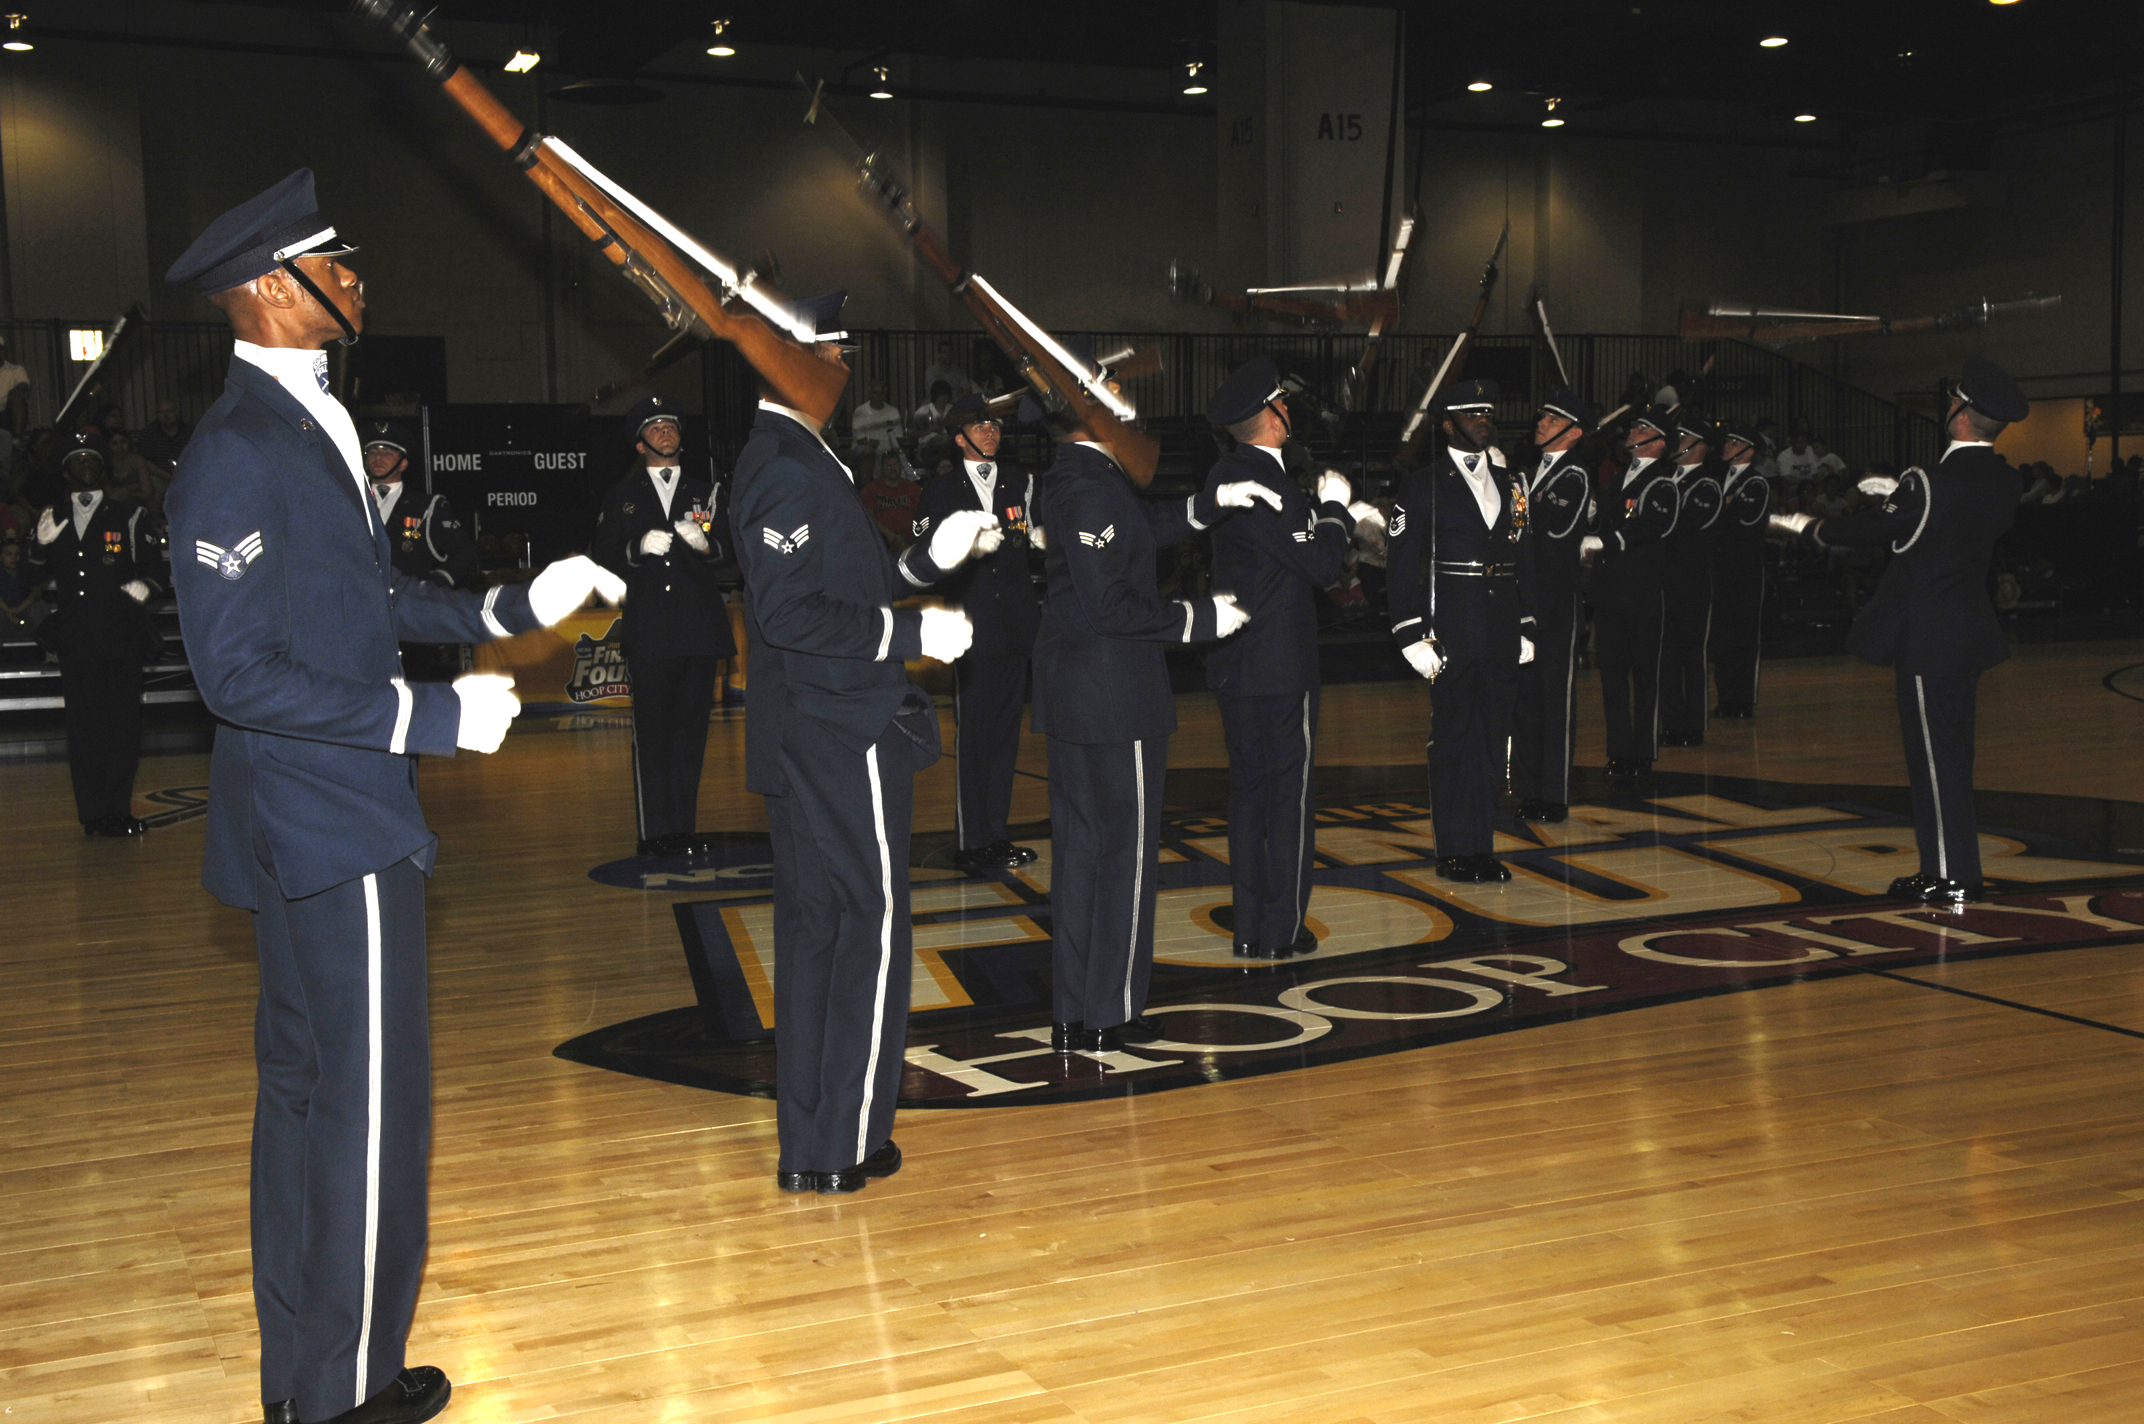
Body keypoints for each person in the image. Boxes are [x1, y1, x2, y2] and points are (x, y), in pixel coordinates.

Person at [161, 168, 622, 1424]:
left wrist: (504, 607)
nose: (356, 280)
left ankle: (315, 1375)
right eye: (332, 265)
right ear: (270, 287)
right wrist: (430, 715)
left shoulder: (302, 420)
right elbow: (239, 671)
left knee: (311, 1100)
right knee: (363, 1110)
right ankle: (348, 1387)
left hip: (319, 812)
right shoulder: (238, 452)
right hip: (328, 816)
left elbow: (360, 603)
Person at [728, 289, 994, 1194]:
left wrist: (927, 562)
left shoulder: (803, 456)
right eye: (831, 355)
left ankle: (820, 1139)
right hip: (841, 728)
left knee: (818, 933)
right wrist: (914, 637)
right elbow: (791, 611)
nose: (844, 371)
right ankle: (844, 1139)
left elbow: (860, 579)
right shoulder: (783, 466)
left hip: (818, 727)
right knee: (867, 930)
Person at [1031, 366, 1262, 1049]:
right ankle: (1114, 1010)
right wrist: (1198, 619)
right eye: (1108, 391)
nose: (1124, 402)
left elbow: (1138, 532)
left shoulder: (1080, 474)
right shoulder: (1091, 483)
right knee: (1123, 857)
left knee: (1080, 854)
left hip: (1076, 691)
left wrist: (1207, 505)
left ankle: (1076, 1008)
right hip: (1115, 695)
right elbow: (1112, 604)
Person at [1771, 356, 2029, 906]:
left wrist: (1807, 526)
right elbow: (1941, 523)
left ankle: (1951, 873)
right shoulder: (2003, 479)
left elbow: (1874, 531)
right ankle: (1948, 867)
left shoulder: (1928, 481)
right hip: (1967, 629)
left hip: (1930, 634)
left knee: (1934, 763)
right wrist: (1902, 496)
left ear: (1960, 412)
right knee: (1953, 757)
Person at [1198, 356, 1357, 957]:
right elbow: (1319, 565)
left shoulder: (1224, 476)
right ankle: (1282, 929)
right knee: (1287, 798)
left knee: (1248, 795)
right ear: (1271, 415)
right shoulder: (1271, 484)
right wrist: (1337, 510)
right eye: (1283, 404)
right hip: (1282, 665)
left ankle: (1249, 929)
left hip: (1237, 660)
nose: (1290, 410)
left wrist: (1315, 515)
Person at [1386, 379, 1530, 881]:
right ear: (1447, 424)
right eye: (1471, 414)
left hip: (1500, 630)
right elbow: (1403, 564)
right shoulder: (1423, 483)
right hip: (1451, 632)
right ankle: (1453, 848)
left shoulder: (1514, 483)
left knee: (1493, 739)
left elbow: (1520, 556)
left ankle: (1481, 846)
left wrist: (1526, 623)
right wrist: (1410, 633)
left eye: (1488, 412)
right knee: (1453, 740)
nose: (1483, 420)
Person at [591, 396, 734, 859]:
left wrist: (707, 545)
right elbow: (604, 557)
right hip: (651, 631)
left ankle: (684, 829)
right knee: (653, 736)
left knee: (691, 735)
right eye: (654, 427)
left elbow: (732, 553)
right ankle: (655, 833)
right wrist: (636, 547)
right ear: (640, 443)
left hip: (697, 630)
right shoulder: (623, 496)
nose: (664, 431)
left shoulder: (706, 491)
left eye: (670, 425)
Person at [911, 393, 1042, 873]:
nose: (991, 432)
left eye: (995, 425)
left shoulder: (1020, 480)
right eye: (981, 426)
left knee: (1007, 734)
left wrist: (1039, 539)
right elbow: (926, 554)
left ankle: (997, 833)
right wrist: (966, 549)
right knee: (975, 736)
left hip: (1016, 622)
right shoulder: (939, 491)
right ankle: (971, 838)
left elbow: (1029, 533)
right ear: (959, 435)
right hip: (972, 623)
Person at [28, 430, 162, 837]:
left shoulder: (129, 515)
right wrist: (38, 546)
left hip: (121, 635)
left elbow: (156, 569)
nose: (85, 465)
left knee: (123, 726)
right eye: (77, 460)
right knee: (83, 729)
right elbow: (30, 578)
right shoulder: (52, 518)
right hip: (78, 639)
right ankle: (92, 813)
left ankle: (118, 809)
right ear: (66, 472)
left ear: (102, 468)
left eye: (92, 459)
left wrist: (147, 588)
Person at [1582, 407, 1682, 780]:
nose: (1633, 430)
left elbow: (1650, 526)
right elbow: (1608, 521)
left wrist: (1603, 541)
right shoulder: (1621, 477)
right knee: (1611, 677)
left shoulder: (1662, 484)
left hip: (1641, 593)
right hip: (1610, 592)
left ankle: (1642, 751)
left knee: (1644, 676)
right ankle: (1618, 751)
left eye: (1642, 428)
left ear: (1657, 443)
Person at [1512, 386, 1596, 822]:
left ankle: (1555, 794)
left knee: (1554, 699)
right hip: (1527, 601)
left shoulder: (1575, 476)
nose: (1540, 421)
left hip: (1557, 604)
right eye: (1542, 415)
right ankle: (1529, 788)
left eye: (1551, 417)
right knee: (1526, 700)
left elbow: (1552, 537)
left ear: (1573, 432)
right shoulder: (1530, 474)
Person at [1657, 418, 1723, 748]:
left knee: (1691, 656)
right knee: (1667, 655)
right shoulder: (1666, 479)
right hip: (1665, 580)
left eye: (1683, 435)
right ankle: (1672, 721)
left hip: (1692, 582)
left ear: (1699, 445)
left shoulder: (1707, 485)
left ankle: (1693, 723)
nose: (1676, 440)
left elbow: (1681, 528)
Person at [361, 420, 480, 591]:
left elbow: (466, 554)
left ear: (403, 464)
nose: (378, 458)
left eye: (388, 453)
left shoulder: (426, 507)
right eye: (372, 452)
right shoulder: (352, 500)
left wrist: (433, 585)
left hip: (408, 605)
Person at [1709, 420, 1772, 718]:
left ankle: (1744, 700)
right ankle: (1726, 698)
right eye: (1727, 441)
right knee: (1722, 637)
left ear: (1748, 450)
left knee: (1745, 636)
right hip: (1721, 571)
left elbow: (1741, 522)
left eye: (1734, 443)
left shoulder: (1756, 482)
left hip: (1744, 572)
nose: (1727, 446)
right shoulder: (1720, 479)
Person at [858, 449, 921, 549]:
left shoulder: (913, 489)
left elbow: (920, 515)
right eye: (888, 465)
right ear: (882, 468)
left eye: (896, 465)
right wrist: (889, 535)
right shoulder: (870, 489)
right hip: (880, 541)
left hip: (910, 541)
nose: (893, 469)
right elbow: (868, 517)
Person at [849, 381, 904, 459]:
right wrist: (883, 446)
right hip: (864, 450)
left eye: (882, 393)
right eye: (875, 393)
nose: (879, 396)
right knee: (868, 452)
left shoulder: (893, 411)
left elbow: (899, 437)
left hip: (889, 451)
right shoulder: (860, 411)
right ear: (869, 395)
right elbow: (860, 440)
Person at [136, 399, 193, 469]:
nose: (166, 415)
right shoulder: (148, 433)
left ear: (176, 412)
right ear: (157, 414)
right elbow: (145, 462)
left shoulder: (188, 431)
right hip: (159, 475)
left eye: (169, 411)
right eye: (162, 412)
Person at [0, 537, 41, 633]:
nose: (14, 558)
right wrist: (7, 610)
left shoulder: (26, 571)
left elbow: (36, 593)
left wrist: (20, 608)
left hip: (24, 609)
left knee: (40, 607)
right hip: (3, 611)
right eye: (9, 554)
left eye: (17, 554)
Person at [911, 380, 956, 463]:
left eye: (946, 395)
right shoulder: (923, 411)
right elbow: (913, 434)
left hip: (951, 447)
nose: (944, 398)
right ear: (935, 395)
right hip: (927, 447)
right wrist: (931, 430)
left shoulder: (953, 409)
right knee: (945, 439)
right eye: (941, 395)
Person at [0, 337, 29, 434]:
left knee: (16, 396)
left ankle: (16, 438)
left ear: (4, 352)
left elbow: (23, 384)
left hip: (7, 411)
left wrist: (15, 391)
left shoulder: (16, 370)